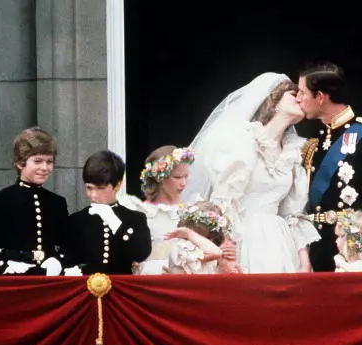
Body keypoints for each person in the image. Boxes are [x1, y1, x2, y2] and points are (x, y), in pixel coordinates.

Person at [182, 72, 320, 274]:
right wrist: (226, 250)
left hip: (280, 243)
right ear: (274, 102)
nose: (300, 99)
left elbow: (293, 214)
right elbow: (224, 201)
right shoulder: (244, 142)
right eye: (293, 94)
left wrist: (304, 261)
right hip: (243, 238)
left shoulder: (293, 153)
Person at [295, 61, 362, 272]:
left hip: (355, 249)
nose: (298, 99)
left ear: (320, 97)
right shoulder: (315, 141)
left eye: (302, 92)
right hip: (318, 246)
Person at [120, 145, 238, 274]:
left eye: (186, 176)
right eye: (177, 177)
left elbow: (213, 246)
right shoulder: (142, 211)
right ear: (160, 178)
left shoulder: (196, 209)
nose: (183, 183)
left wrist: (224, 250)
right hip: (154, 276)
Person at [0, 127, 70, 276]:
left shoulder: (57, 203)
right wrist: (6, 263)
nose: (45, 167)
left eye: (49, 162)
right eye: (37, 161)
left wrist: (58, 261)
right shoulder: (1, 200)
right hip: (13, 283)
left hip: (49, 282)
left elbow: (66, 246)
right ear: (20, 163)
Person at [66, 150, 152, 275]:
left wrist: (116, 224)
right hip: (86, 289)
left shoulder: (135, 219)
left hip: (121, 290)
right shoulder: (76, 220)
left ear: (117, 185)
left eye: (100, 188)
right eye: (89, 188)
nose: (93, 195)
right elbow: (69, 259)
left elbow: (140, 254)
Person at [165, 201, 239, 274]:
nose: (212, 237)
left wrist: (225, 261)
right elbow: (216, 253)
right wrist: (188, 233)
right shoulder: (181, 248)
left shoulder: (212, 247)